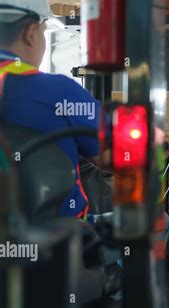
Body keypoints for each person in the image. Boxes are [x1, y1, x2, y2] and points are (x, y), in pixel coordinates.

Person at [0, 0, 103, 220]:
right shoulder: (58, 91)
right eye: (44, 31)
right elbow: (113, 154)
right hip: (57, 243)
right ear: (30, 33)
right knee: (161, 223)